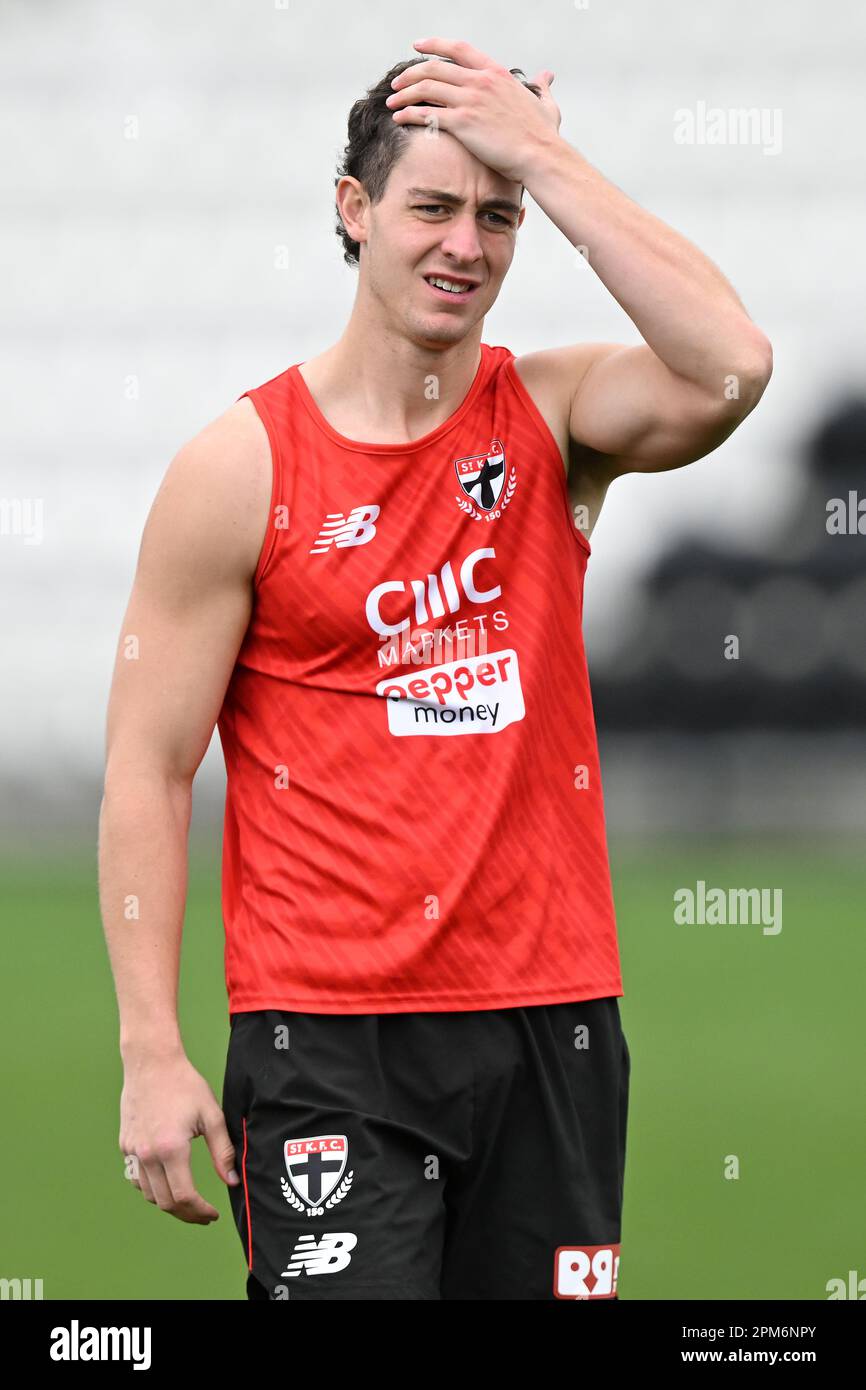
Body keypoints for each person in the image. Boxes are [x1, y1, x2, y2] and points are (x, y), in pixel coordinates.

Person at [98, 36, 772, 1301]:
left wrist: (549, 160)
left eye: (496, 214)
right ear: (353, 211)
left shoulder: (554, 415)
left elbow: (732, 365)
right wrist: (149, 1046)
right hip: (327, 1041)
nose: (466, 243)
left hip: (552, 1024)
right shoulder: (240, 468)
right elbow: (145, 765)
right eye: (432, 206)